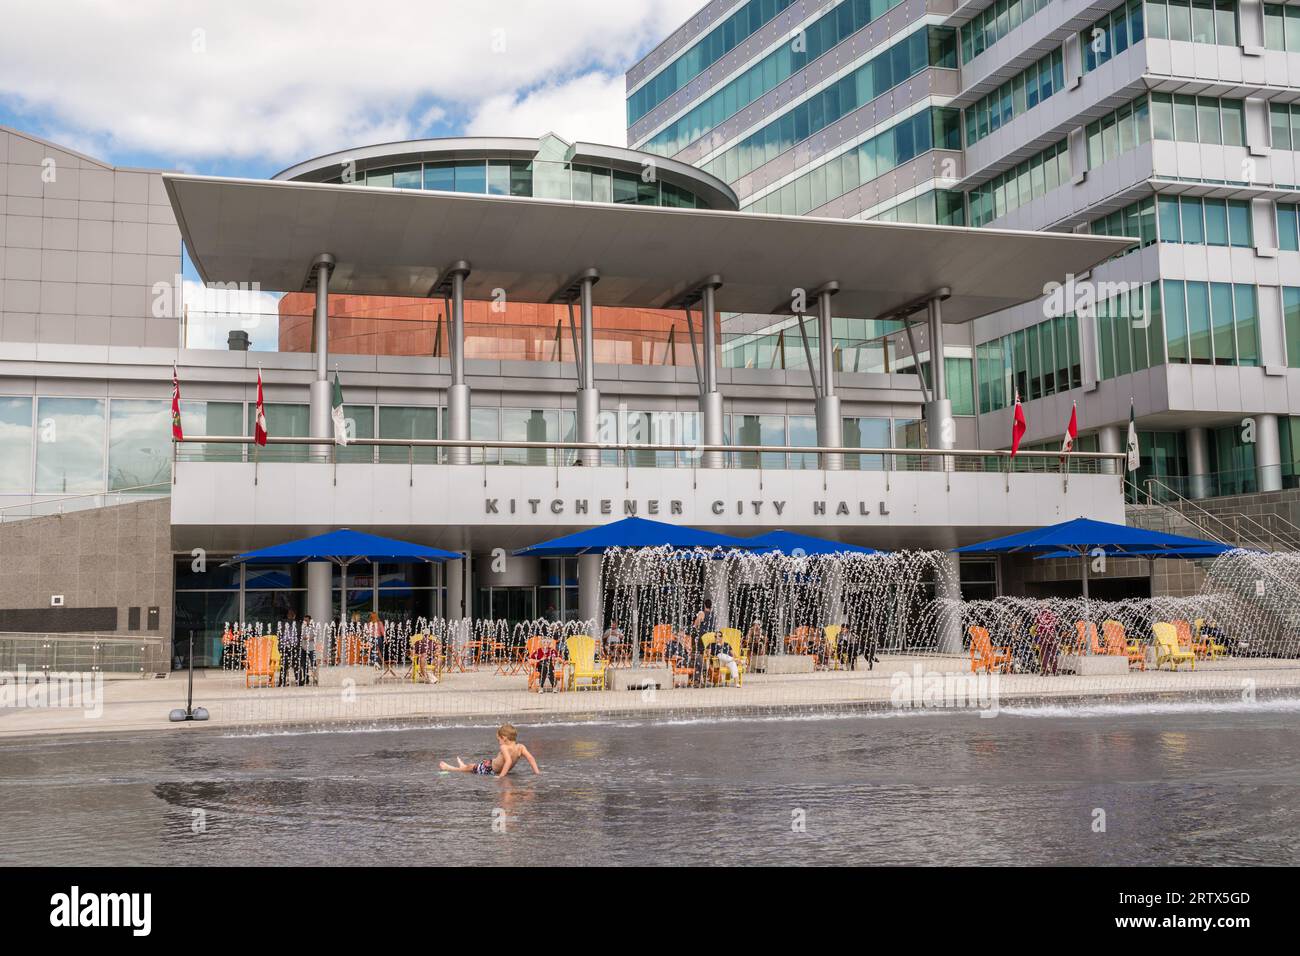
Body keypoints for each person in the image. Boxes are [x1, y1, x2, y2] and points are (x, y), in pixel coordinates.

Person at [440, 724, 540, 777]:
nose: (499, 742)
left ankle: (450, 768)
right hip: (490, 764)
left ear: (504, 738)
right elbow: (531, 758)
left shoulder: (504, 747)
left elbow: (508, 761)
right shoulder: (521, 747)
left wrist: (501, 776)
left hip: (490, 769)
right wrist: (537, 772)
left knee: (470, 767)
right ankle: (461, 767)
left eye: (499, 740)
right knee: (470, 767)